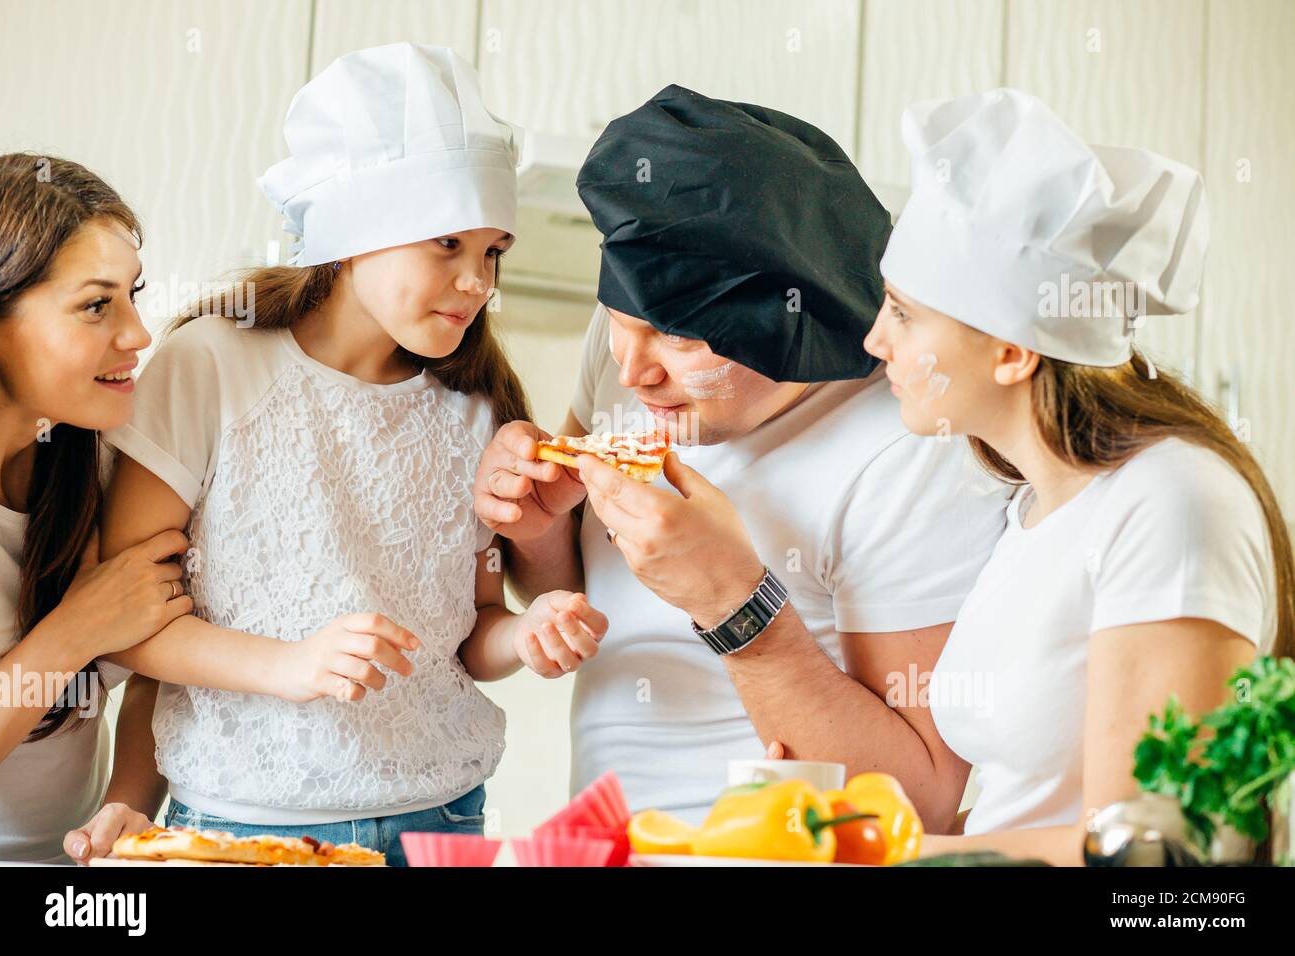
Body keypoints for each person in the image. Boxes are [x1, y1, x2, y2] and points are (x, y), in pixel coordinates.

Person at [97, 44, 606, 866]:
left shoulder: (477, 405)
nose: (478, 281)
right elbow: (124, 624)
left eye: (492, 252)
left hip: (441, 822)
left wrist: (528, 632)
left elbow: (470, 634)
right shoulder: (211, 367)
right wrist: (290, 666)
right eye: (446, 243)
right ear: (353, 232)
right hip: (241, 827)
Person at [474, 86, 1013, 828]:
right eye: (620, 321)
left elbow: (915, 801)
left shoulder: (910, 449)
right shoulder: (624, 350)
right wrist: (537, 526)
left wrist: (733, 602)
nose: (632, 372)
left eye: (681, 338)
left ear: (785, 325)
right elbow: (565, 592)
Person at [856, 88, 1290, 864]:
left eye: (904, 313)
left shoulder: (1172, 502)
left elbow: (1153, 857)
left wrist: (897, 860)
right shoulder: (1033, 508)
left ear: (1013, 351)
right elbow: (1018, 815)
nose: (874, 339)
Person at [0, 153, 193, 864]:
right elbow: (101, 630)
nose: (139, 334)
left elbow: (154, 667)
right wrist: (77, 627)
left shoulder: (104, 459)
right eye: (95, 304)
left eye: (134, 295)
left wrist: (128, 799)